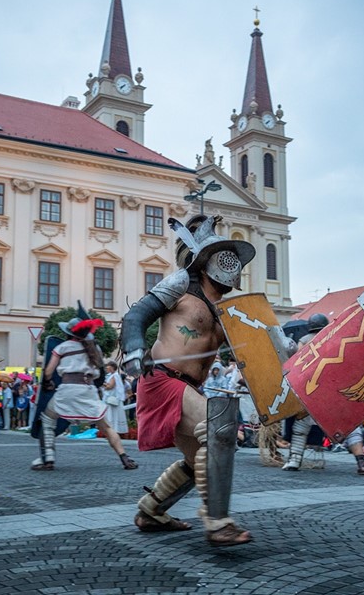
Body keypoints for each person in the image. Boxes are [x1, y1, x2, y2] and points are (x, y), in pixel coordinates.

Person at [121, 215, 255, 546]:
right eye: (222, 253)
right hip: (163, 380)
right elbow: (136, 315)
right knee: (219, 428)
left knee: (198, 460)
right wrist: (134, 349)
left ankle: (151, 511)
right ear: (205, 259)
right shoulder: (181, 284)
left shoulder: (229, 310)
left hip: (188, 387)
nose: (230, 262)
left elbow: (251, 355)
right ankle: (218, 522)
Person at [33, 317, 137, 471]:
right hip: (88, 392)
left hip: (66, 391)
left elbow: (48, 372)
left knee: (48, 420)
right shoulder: (95, 349)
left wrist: (48, 383)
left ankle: (48, 460)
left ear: (68, 333)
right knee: (107, 427)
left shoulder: (62, 347)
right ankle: (124, 458)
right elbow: (100, 374)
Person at [281, 313, 364, 475]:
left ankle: (294, 461)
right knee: (350, 427)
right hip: (334, 393)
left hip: (312, 393)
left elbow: (297, 368)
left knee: (301, 425)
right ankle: (361, 463)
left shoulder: (304, 341)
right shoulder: (337, 338)